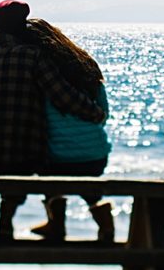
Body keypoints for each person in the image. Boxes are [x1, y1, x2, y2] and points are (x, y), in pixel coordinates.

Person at [0, 0, 104, 241]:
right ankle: (6, 217)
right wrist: (95, 112)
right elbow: (62, 96)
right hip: (20, 155)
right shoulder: (33, 57)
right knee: (27, 152)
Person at [26, 17, 113, 244]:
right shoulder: (86, 65)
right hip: (96, 155)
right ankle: (105, 224)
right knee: (90, 190)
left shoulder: (44, 74)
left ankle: (56, 224)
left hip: (57, 159)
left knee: (50, 178)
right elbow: (104, 112)